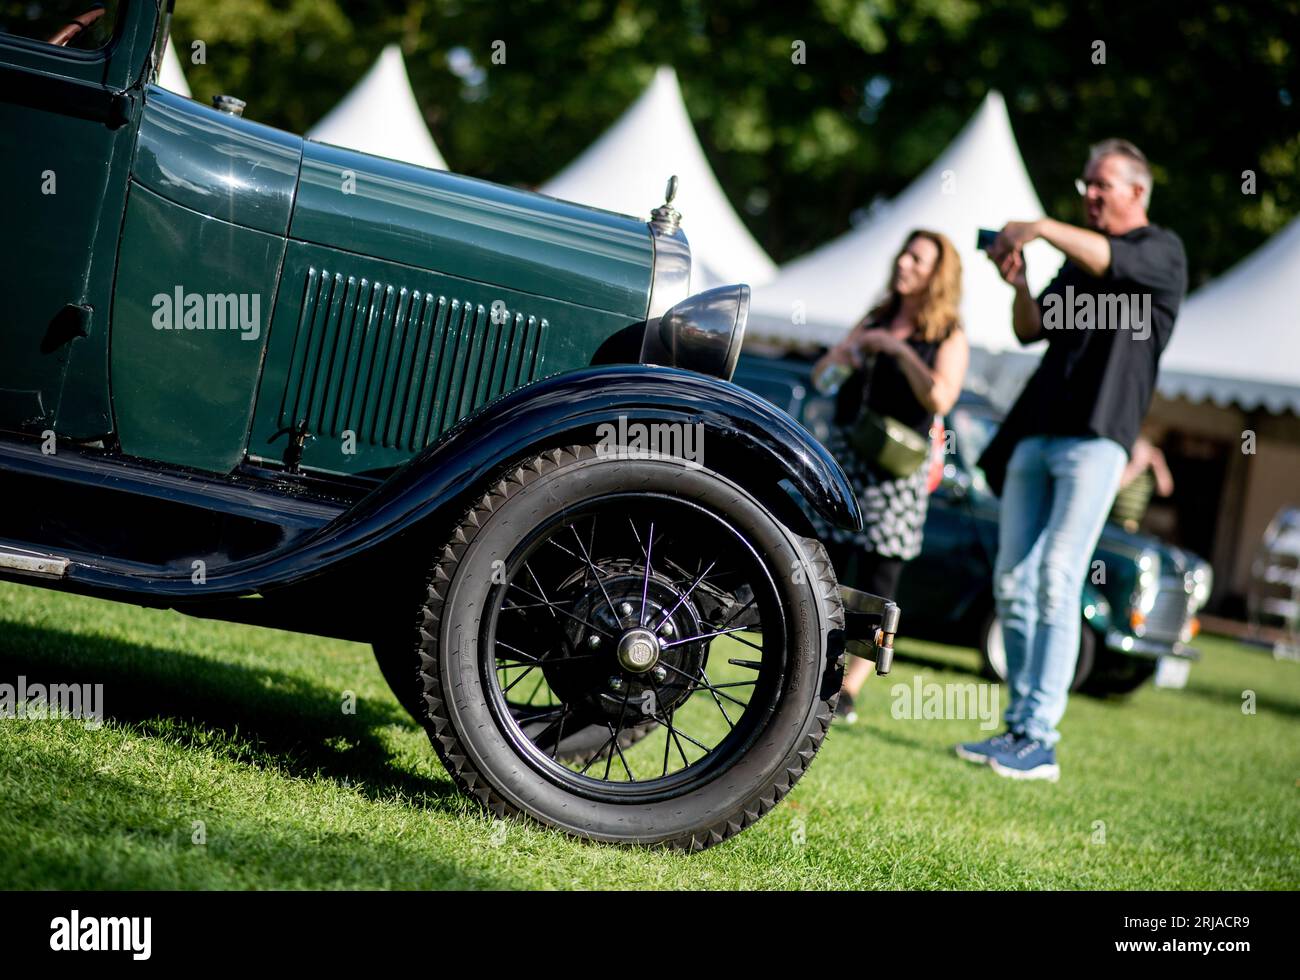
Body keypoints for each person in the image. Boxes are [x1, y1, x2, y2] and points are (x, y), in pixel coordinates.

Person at [957, 139, 1187, 780]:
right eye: (1086, 183)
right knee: (1012, 581)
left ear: (1137, 192)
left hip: (1097, 438)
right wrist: (1022, 281)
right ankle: (1017, 729)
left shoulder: (1160, 253)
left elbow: (1110, 257)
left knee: (1059, 574)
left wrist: (1039, 226)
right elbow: (1031, 330)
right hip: (1038, 429)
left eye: (1102, 185)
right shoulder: (1078, 263)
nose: (1089, 193)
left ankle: (1041, 738)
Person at [811, 229, 969, 723]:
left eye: (917, 259)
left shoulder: (947, 333)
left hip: (898, 467)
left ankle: (851, 689)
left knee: (881, 575)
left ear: (936, 275)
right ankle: (812, 663)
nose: (903, 263)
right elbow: (822, 378)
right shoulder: (876, 316)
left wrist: (898, 351)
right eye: (903, 253)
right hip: (849, 453)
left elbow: (942, 398)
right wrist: (850, 352)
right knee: (826, 562)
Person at [1109, 435, 1175, 532]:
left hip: (1130, 523)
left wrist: (1160, 465)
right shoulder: (1126, 463)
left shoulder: (1151, 470)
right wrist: (1136, 465)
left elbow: (1165, 490)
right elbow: (1116, 485)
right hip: (1111, 520)